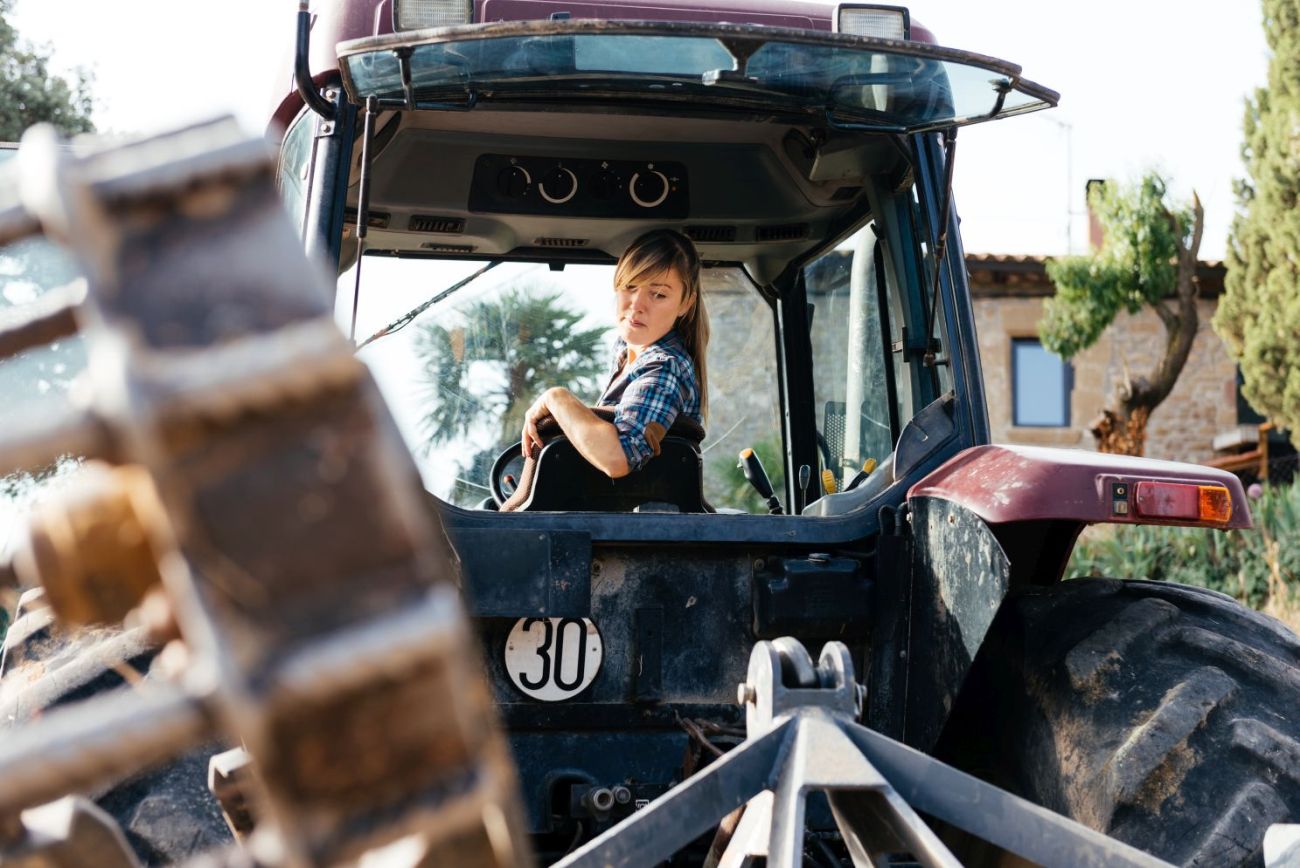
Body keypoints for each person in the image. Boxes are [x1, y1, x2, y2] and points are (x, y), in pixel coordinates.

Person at [520, 229, 709, 479]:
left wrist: (556, 398)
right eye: (630, 287)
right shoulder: (626, 353)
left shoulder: (664, 367)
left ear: (686, 304)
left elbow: (619, 458)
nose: (637, 305)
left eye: (659, 294)